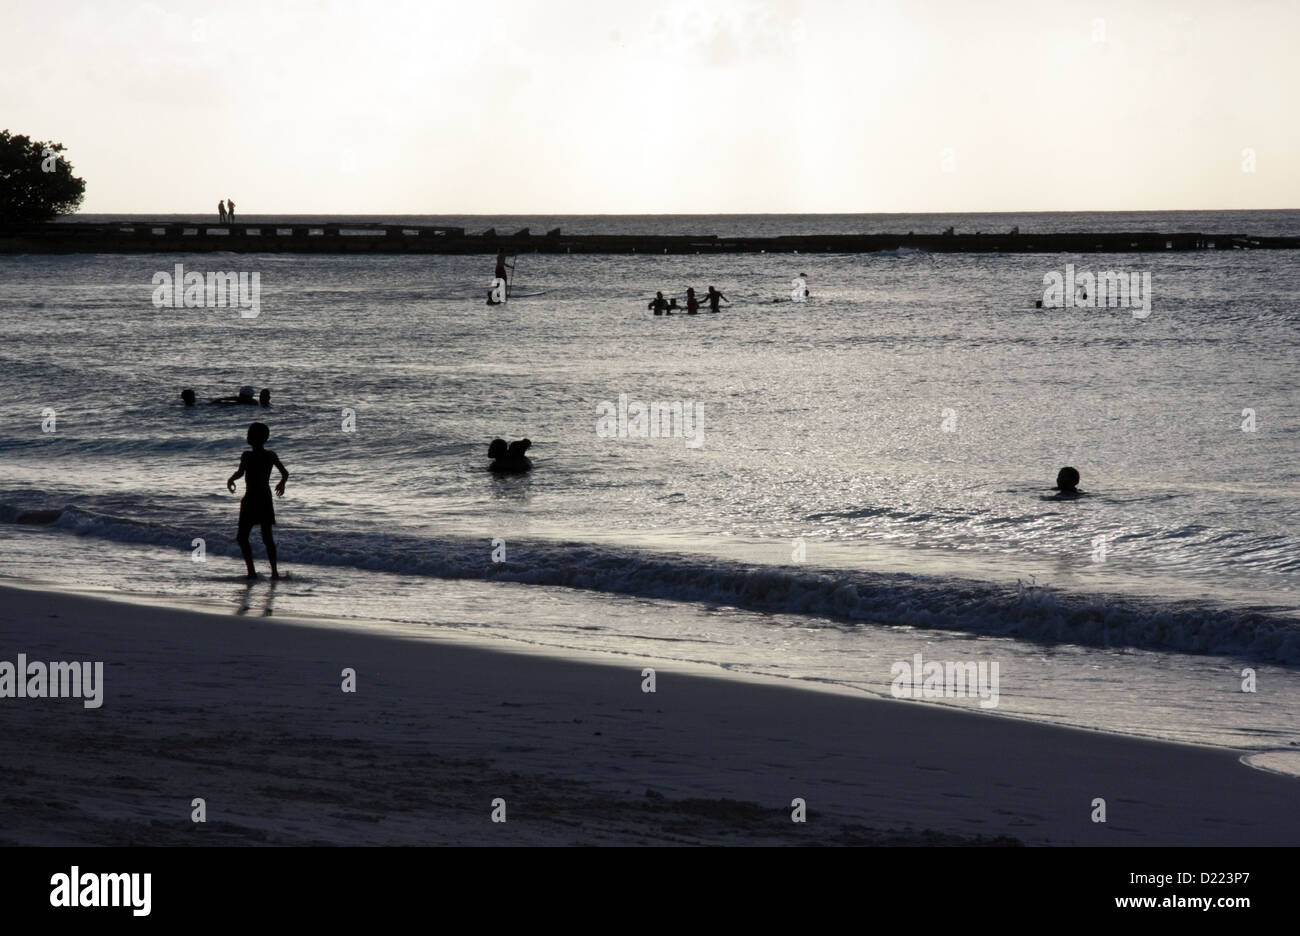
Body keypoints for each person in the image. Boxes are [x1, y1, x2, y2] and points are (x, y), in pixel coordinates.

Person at [226, 422, 289, 579]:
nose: (247, 436)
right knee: (266, 537)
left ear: (254, 438)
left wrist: (232, 479)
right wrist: (282, 483)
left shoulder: (248, 456)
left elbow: (241, 473)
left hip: (251, 498)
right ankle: (274, 573)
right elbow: (285, 473)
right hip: (264, 498)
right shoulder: (270, 455)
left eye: (249, 434)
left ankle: (252, 573)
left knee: (243, 537)